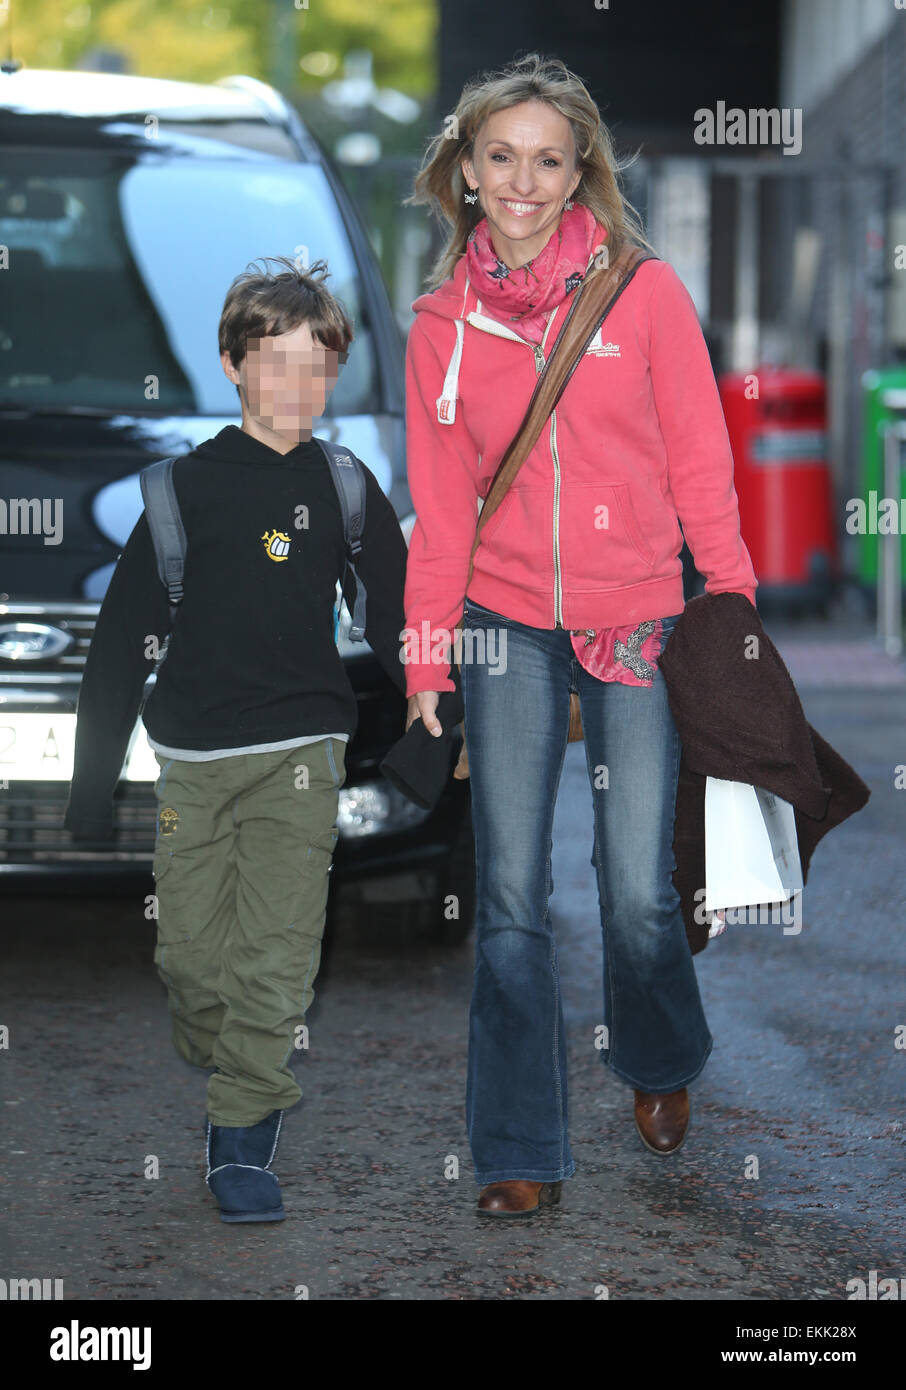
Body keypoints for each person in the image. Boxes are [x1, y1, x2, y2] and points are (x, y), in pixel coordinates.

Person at [401, 54, 758, 1217]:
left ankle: (657, 1057)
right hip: (506, 620)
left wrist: (735, 608)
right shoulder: (440, 322)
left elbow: (702, 458)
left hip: (639, 619)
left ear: (578, 173)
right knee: (507, 894)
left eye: (547, 160)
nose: (521, 180)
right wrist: (425, 650)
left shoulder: (642, 292)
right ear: (464, 167)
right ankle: (517, 1145)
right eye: (499, 156)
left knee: (638, 891)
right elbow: (443, 506)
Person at [63, 256, 412, 1223]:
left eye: (317, 367)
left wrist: (442, 717)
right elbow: (118, 647)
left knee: (278, 953)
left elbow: (404, 623)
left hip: (303, 756)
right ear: (231, 365)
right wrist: (92, 792)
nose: (297, 387)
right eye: (275, 363)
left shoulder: (346, 487)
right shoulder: (179, 492)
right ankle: (228, 1045)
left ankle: (243, 1135)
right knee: (189, 959)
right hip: (194, 762)